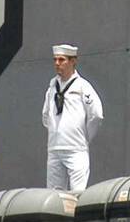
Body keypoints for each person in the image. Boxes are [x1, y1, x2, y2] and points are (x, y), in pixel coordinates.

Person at [41, 43, 104, 191]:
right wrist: (57, 132)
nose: (57, 64)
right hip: (55, 148)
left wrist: (84, 137)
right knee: (54, 195)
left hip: (76, 149)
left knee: (77, 193)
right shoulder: (52, 88)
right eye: (55, 60)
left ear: (73, 61)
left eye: (62, 60)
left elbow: (96, 115)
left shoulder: (82, 86)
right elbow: (46, 116)